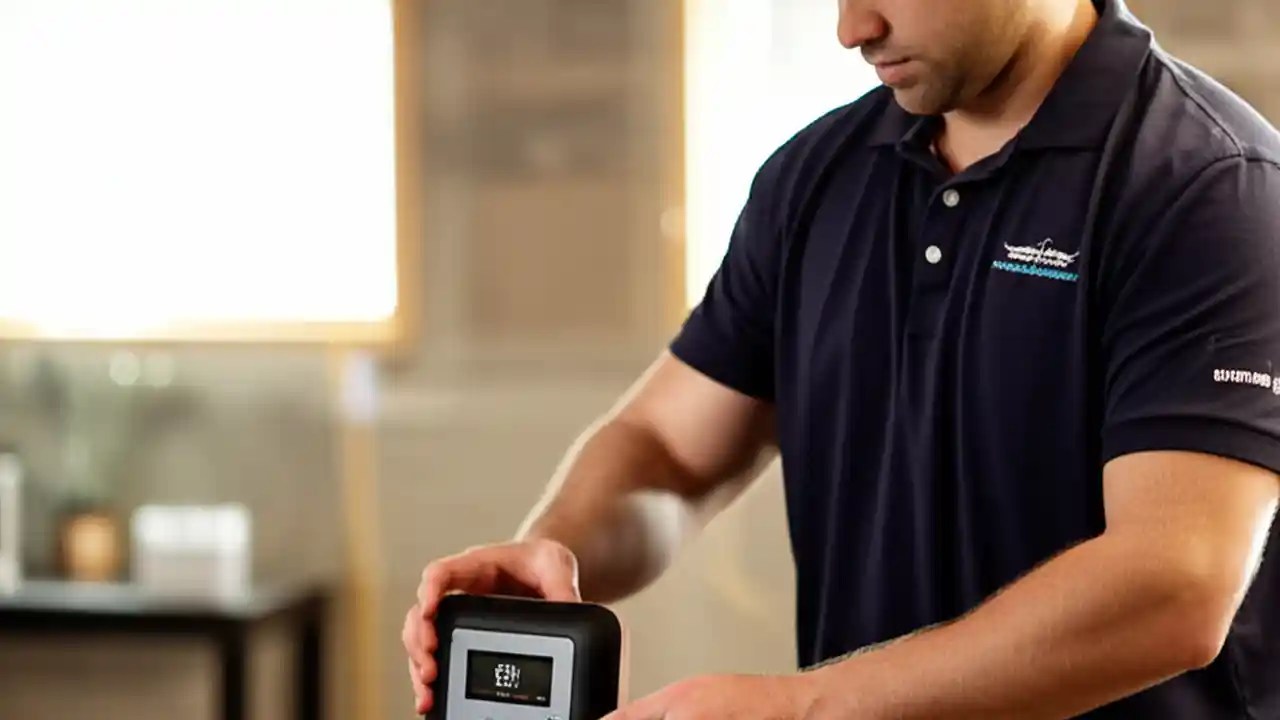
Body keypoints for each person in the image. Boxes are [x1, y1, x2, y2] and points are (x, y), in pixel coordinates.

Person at [404, 0, 1280, 716]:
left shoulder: (1208, 186)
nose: (850, 27)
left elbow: (1176, 583)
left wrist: (805, 707)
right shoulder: (815, 177)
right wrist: (555, 550)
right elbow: (670, 450)